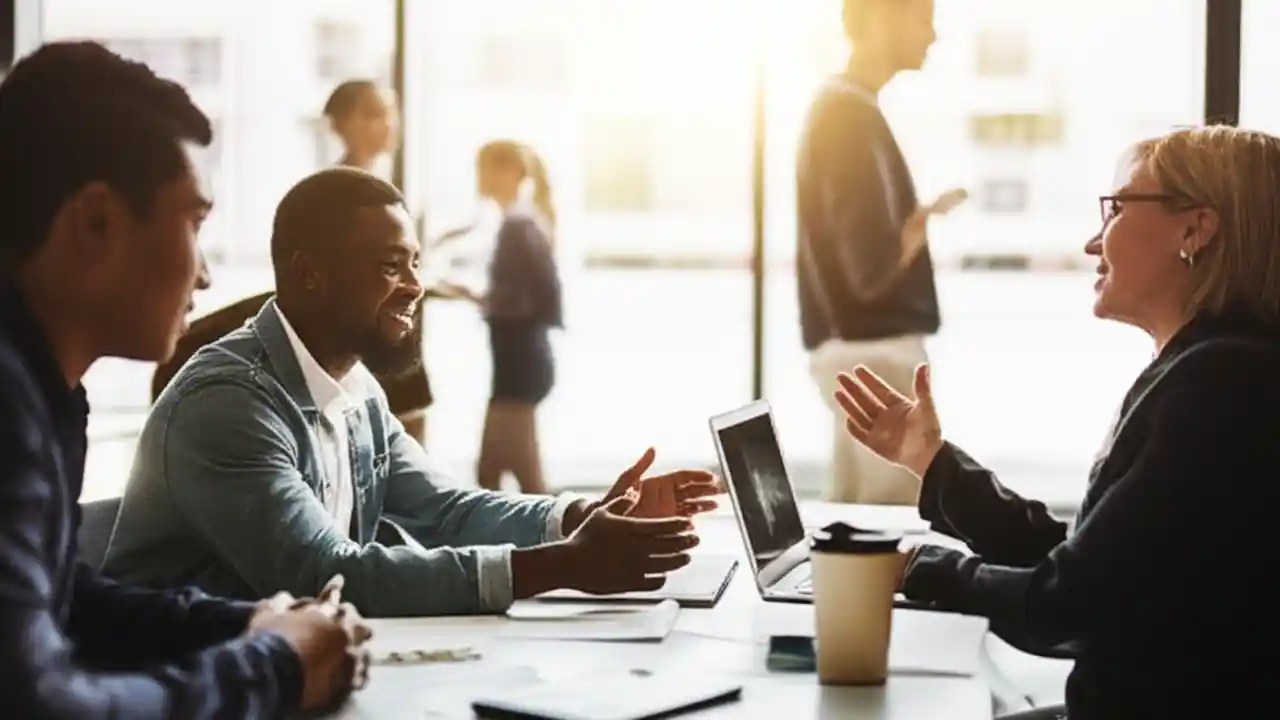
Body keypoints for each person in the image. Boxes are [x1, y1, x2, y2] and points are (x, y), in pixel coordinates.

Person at [105, 167, 721, 618]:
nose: (414, 286)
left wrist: (579, 518)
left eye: (416, 263)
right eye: (389, 265)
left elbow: (444, 510)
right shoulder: (228, 403)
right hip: (180, 688)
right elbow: (326, 573)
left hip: (277, 670)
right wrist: (562, 564)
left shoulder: (355, 387)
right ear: (310, 274)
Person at [833, 126, 1279, 718]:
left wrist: (920, 568)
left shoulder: (1221, 385)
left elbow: (1066, 607)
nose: (1094, 242)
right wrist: (931, 461)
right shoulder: (1216, 370)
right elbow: (1085, 566)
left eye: (1116, 209)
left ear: (1194, 230)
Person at [0, 42, 370, 719]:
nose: (204, 274)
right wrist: (278, 667)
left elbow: (59, 601)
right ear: (96, 222)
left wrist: (252, 625)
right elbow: (39, 704)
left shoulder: (46, 390)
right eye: (195, 223)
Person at [797, 0, 965, 505]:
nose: (932, 35)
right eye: (923, 17)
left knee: (852, 518)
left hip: (857, 348)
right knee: (891, 523)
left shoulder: (843, 108)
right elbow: (868, 269)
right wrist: (921, 220)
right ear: (877, 20)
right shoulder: (848, 116)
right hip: (875, 351)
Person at [324, 78, 434, 443]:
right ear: (340, 124)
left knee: (410, 437)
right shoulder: (333, 192)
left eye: (390, 112)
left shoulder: (392, 187)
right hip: (367, 333)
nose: (388, 123)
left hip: (399, 328)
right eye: (372, 114)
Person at [464, 140, 564, 494]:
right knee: (492, 471)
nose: (479, 177)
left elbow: (534, 298)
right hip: (518, 360)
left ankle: (570, 530)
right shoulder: (522, 222)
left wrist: (484, 300)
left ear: (508, 172)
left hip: (518, 362)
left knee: (522, 480)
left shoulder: (518, 226)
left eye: (484, 168)